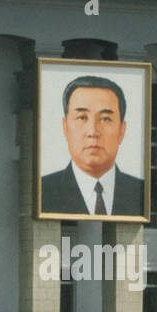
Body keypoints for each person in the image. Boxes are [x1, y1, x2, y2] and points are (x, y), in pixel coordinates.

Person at [39, 75, 145, 217]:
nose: (93, 132)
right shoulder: (43, 191)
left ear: (122, 130)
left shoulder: (141, 192)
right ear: (65, 128)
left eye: (105, 119)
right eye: (82, 117)